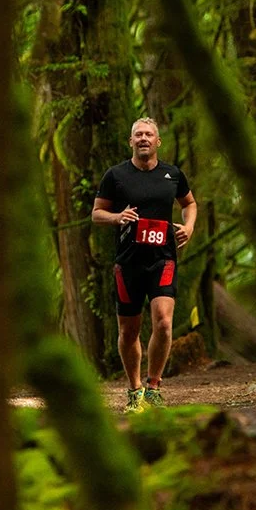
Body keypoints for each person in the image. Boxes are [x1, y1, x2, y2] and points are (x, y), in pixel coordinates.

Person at [92, 117, 197, 413]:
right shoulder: (115, 176)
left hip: (162, 258)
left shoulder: (172, 175)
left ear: (157, 141)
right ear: (131, 142)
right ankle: (134, 390)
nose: (143, 139)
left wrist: (188, 227)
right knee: (128, 331)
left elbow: (190, 203)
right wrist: (117, 217)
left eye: (148, 134)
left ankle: (154, 387)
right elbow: (97, 214)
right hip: (127, 263)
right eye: (138, 134)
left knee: (163, 322)